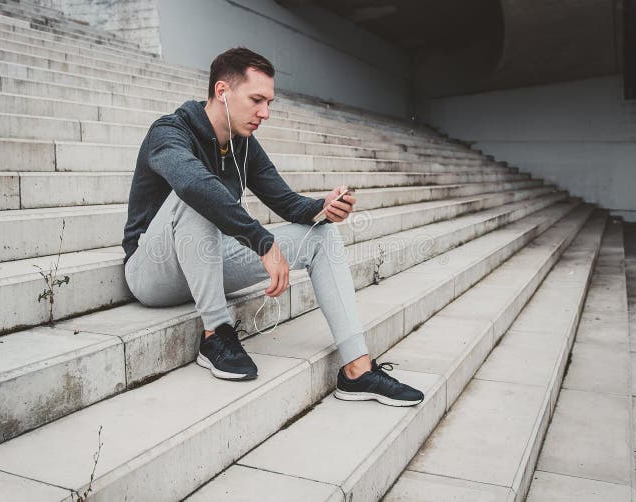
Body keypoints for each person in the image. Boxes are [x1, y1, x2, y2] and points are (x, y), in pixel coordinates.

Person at [122, 47, 423, 407]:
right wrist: (263, 244)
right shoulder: (169, 132)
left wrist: (324, 208)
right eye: (257, 100)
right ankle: (216, 334)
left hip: (208, 262)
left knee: (320, 236)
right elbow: (192, 186)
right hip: (153, 270)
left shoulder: (243, 144)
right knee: (199, 191)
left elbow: (286, 202)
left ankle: (358, 370)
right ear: (222, 91)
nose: (265, 113)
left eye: (269, 103)